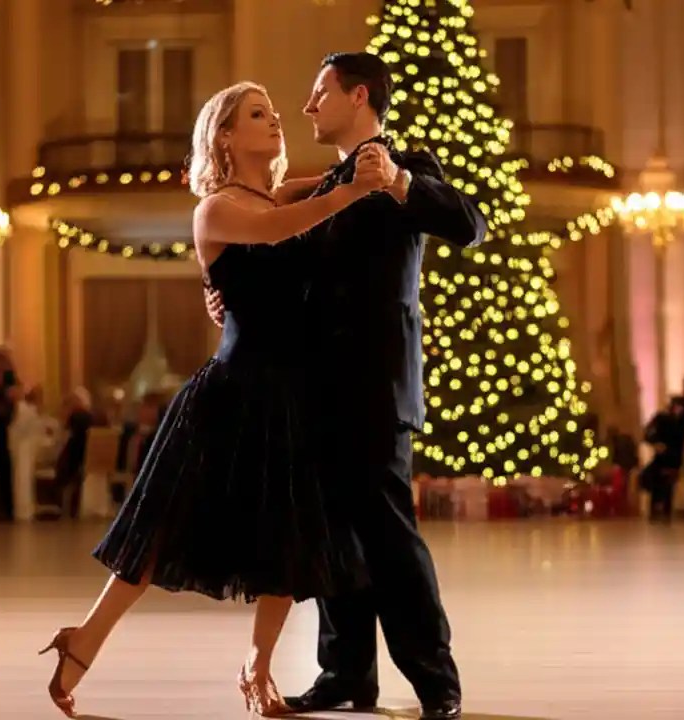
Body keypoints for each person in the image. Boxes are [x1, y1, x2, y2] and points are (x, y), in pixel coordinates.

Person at [39, 81, 386, 718]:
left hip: (288, 396)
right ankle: (82, 641)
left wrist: (365, 167)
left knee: (287, 541)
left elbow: (295, 196)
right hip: (228, 396)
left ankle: (258, 672)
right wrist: (353, 189)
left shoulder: (268, 193)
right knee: (158, 534)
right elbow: (282, 227)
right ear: (224, 135)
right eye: (258, 114)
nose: (276, 120)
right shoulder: (215, 209)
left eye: (275, 112)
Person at [205, 51, 487, 720]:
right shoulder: (325, 186)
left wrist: (397, 184)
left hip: (376, 382)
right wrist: (229, 296)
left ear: (359, 97)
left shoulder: (404, 167)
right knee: (332, 536)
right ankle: (346, 673)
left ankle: (435, 681)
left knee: (389, 535)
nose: (306, 108)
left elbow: (470, 225)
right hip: (311, 389)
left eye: (318, 93)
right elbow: (279, 264)